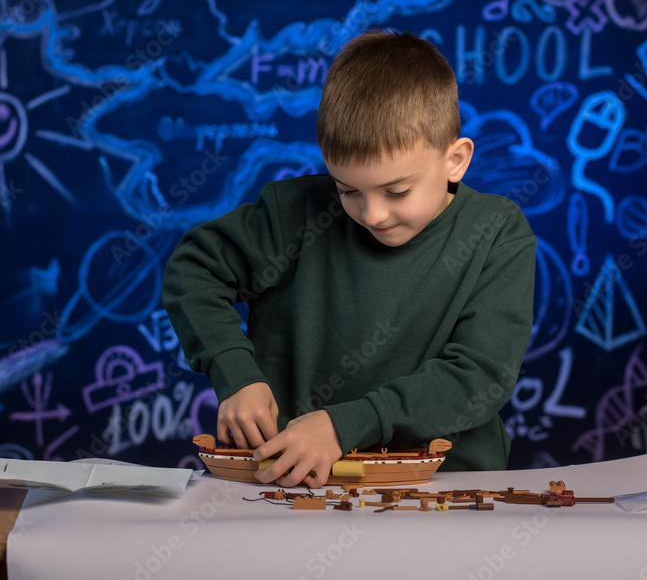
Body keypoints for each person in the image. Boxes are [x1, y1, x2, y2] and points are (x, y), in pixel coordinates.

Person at [162, 29, 536, 488]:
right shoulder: (292, 214)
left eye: (397, 191)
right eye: (347, 190)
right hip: (296, 484)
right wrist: (235, 374)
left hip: (445, 486)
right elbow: (193, 269)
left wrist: (345, 425)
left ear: (455, 160)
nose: (372, 214)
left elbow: (479, 375)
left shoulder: (498, 233)